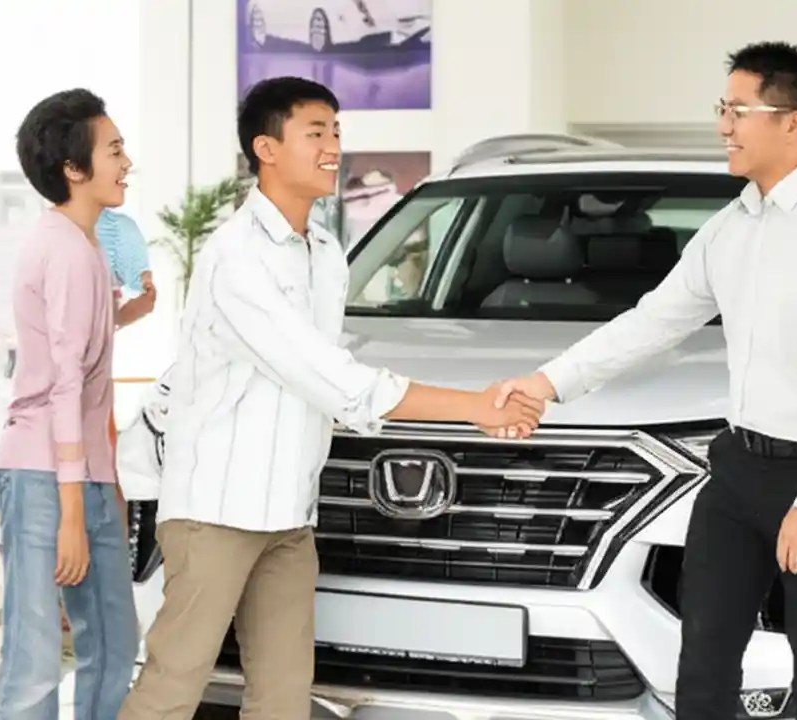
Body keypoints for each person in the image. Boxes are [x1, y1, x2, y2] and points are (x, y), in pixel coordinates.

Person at [493, 42, 797, 719]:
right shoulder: (730, 228)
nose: (724, 126)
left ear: (792, 122)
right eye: (723, 108)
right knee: (704, 663)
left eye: (738, 110)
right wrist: (549, 381)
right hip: (737, 471)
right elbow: (651, 322)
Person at [117, 76, 543, 719]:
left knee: (284, 696)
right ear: (266, 147)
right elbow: (335, 380)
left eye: (337, 132)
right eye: (316, 132)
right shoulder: (238, 257)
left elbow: (324, 385)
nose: (333, 146)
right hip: (217, 510)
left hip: (289, 512)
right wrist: (475, 405)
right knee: (176, 683)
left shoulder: (324, 252)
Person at [0, 87, 138, 720]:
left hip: (82, 474)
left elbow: (82, 365)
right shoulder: (67, 250)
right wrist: (73, 513)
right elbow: (65, 385)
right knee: (35, 657)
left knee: (114, 640)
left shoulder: (86, 244)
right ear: (73, 170)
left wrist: (108, 482)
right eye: (114, 149)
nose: (127, 161)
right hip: (44, 474)